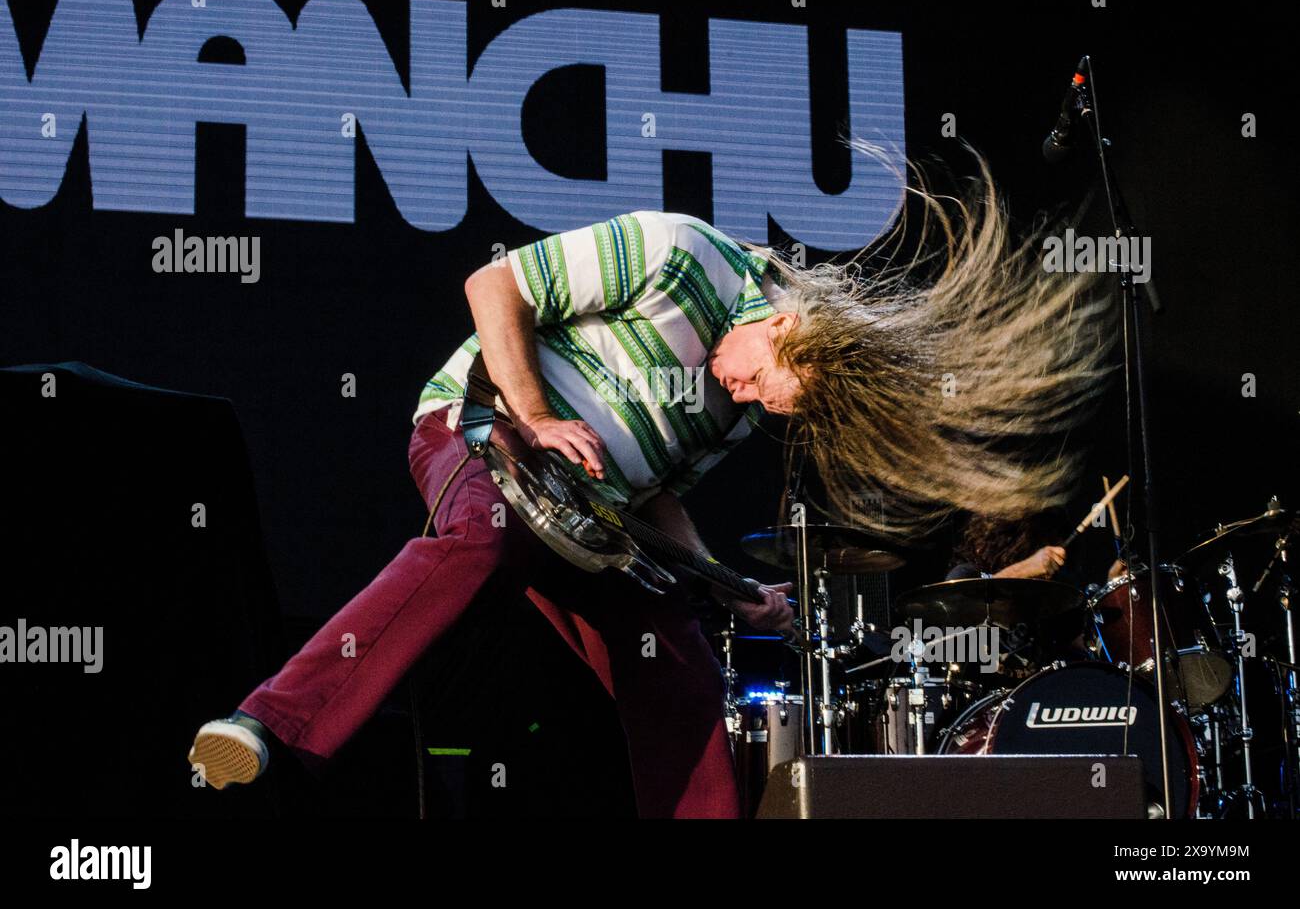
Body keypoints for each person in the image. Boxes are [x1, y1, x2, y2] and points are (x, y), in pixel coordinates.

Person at [187, 144, 1117, 817]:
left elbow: (655, 497)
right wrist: (537, 415)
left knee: (679, 659)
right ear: (786, 325)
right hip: (482, 432)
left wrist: (727, 582)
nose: (746, 396)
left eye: (765, 402)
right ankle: (268, 725)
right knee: (483, 538)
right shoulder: (681, 251)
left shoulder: (742, 407)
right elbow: (494, 285)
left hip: (590, 519)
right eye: (761, 381)